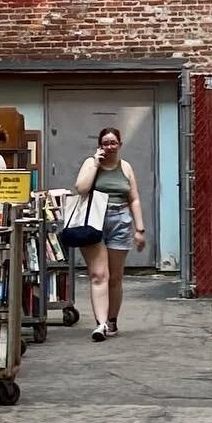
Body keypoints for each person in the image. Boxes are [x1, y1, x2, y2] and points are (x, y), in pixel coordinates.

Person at [74, 127, 146, 342]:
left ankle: (112, 319)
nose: (109, 146)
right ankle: (101, 324)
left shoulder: (126, 167)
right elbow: (81, 188)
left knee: (115, 277)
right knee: (98, 275)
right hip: (94, 222)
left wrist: (139, 230)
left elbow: (134, 199)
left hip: (120, 222)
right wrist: (96, 163)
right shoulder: (91, 163)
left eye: (113, 142)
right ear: (99, 145)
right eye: (105, 143)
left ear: (120, 145)